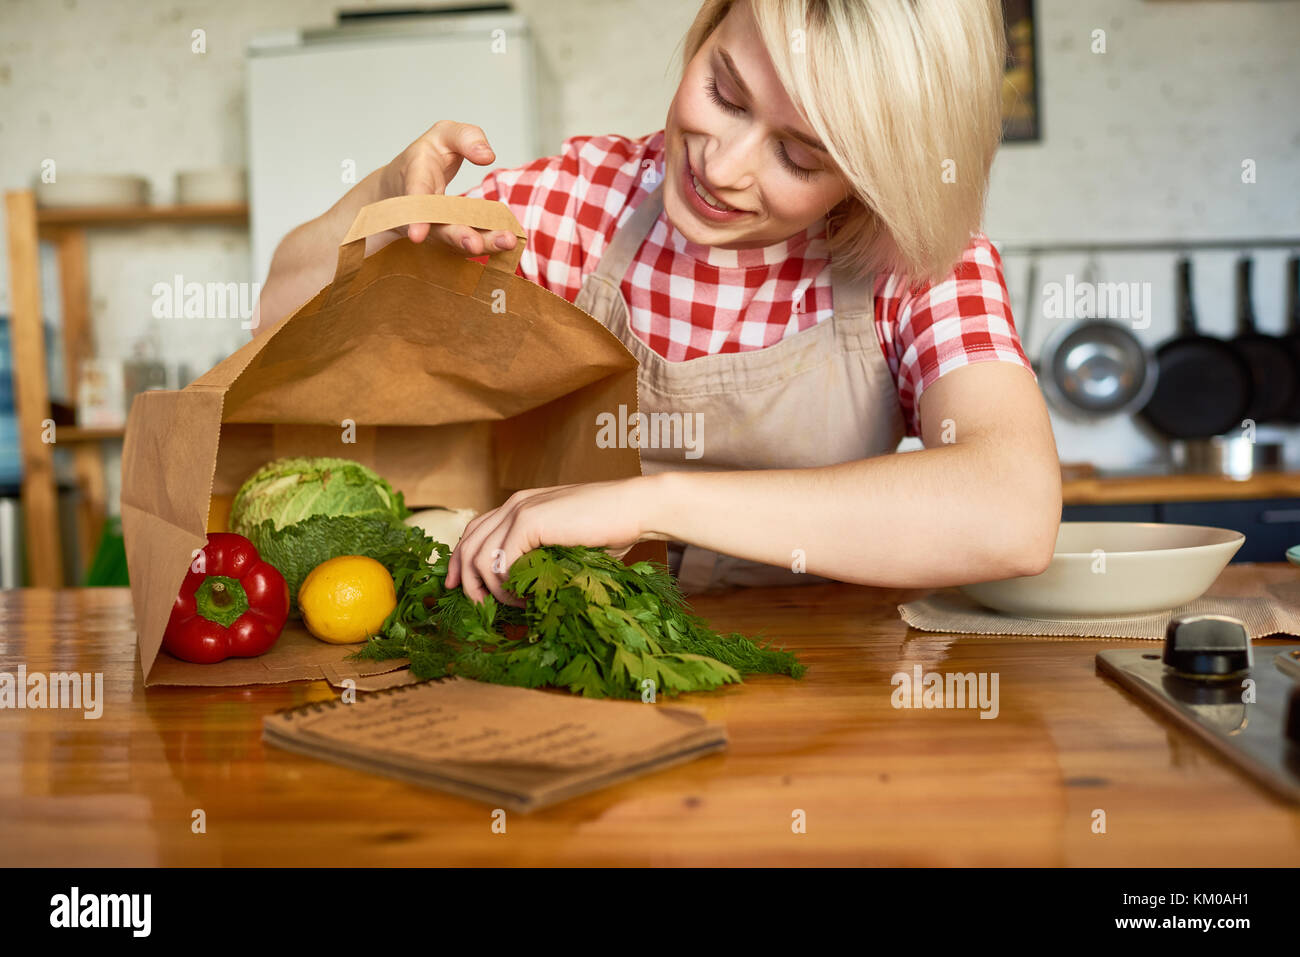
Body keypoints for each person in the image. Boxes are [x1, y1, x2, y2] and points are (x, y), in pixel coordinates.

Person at [256, 0, 1062, 606]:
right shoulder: (581, 203)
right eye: (725, 90)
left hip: (832, 693)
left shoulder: (914, 261)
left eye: (798, 155)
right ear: (707, 30)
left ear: (873, 177)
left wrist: (653, 505)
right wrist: (384, 202)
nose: (725, 165)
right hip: (575, 674)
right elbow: (280, 317)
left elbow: (1013, 508)